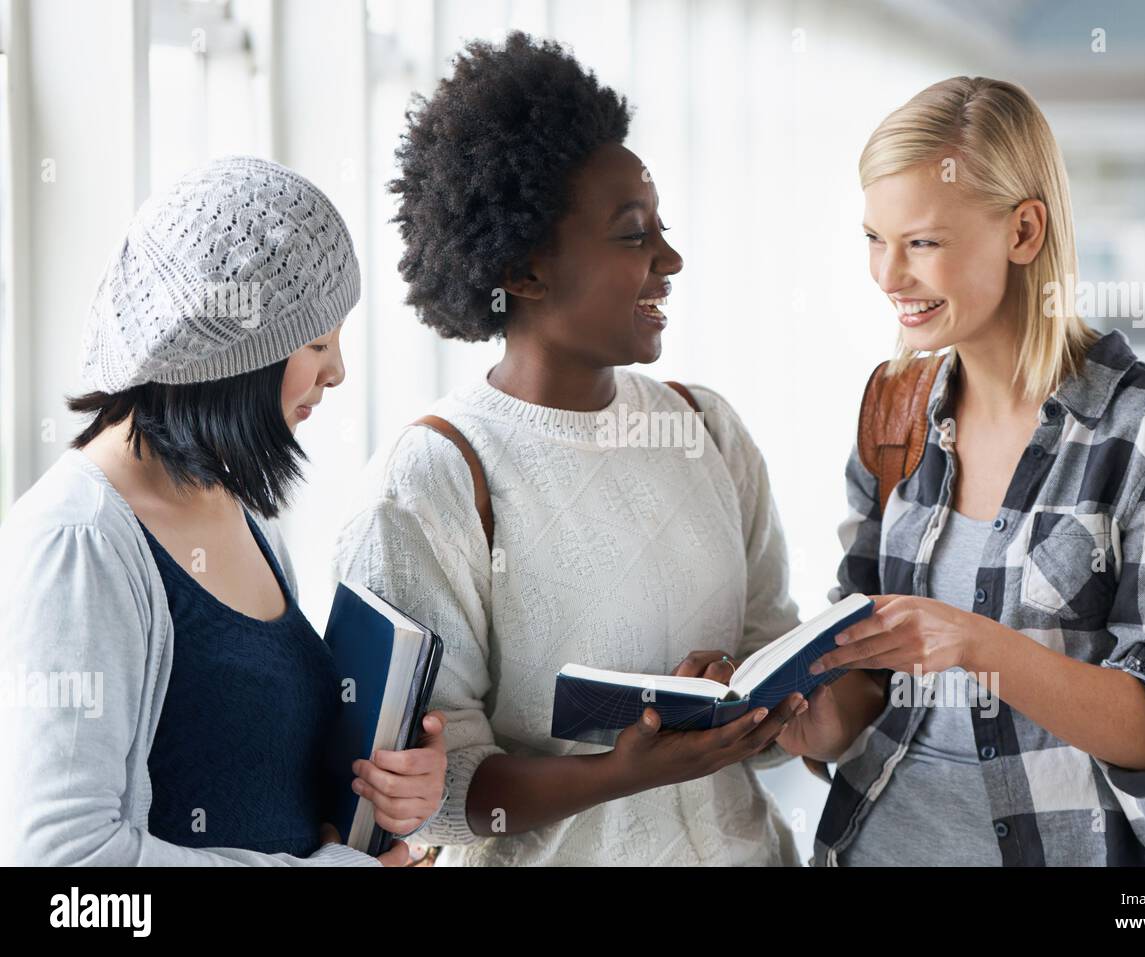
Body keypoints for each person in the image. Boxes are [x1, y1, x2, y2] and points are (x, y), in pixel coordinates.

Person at [332, 32, 806, 866]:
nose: (671, 260)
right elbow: (429, 795)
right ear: (523, 270)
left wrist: (755, 701)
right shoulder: (436, 479)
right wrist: (620, 773)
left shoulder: (709, 430)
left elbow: (782, 690)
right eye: (633, 236)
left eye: (662, 228)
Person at [777, 76, 1145, 867]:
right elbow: (866, 663)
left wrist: (976, 643)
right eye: (873, 239)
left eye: (921, 242)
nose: (888, 276)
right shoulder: (892, 411)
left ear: (1024, 231)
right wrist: (821, 724)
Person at [0, 156, 445, 865]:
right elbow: (67, 872)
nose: (337, 372)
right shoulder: (79, 544)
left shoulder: (241, 517)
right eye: (317, 342)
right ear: (234, 356)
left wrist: (384, 793)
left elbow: (259, 782)